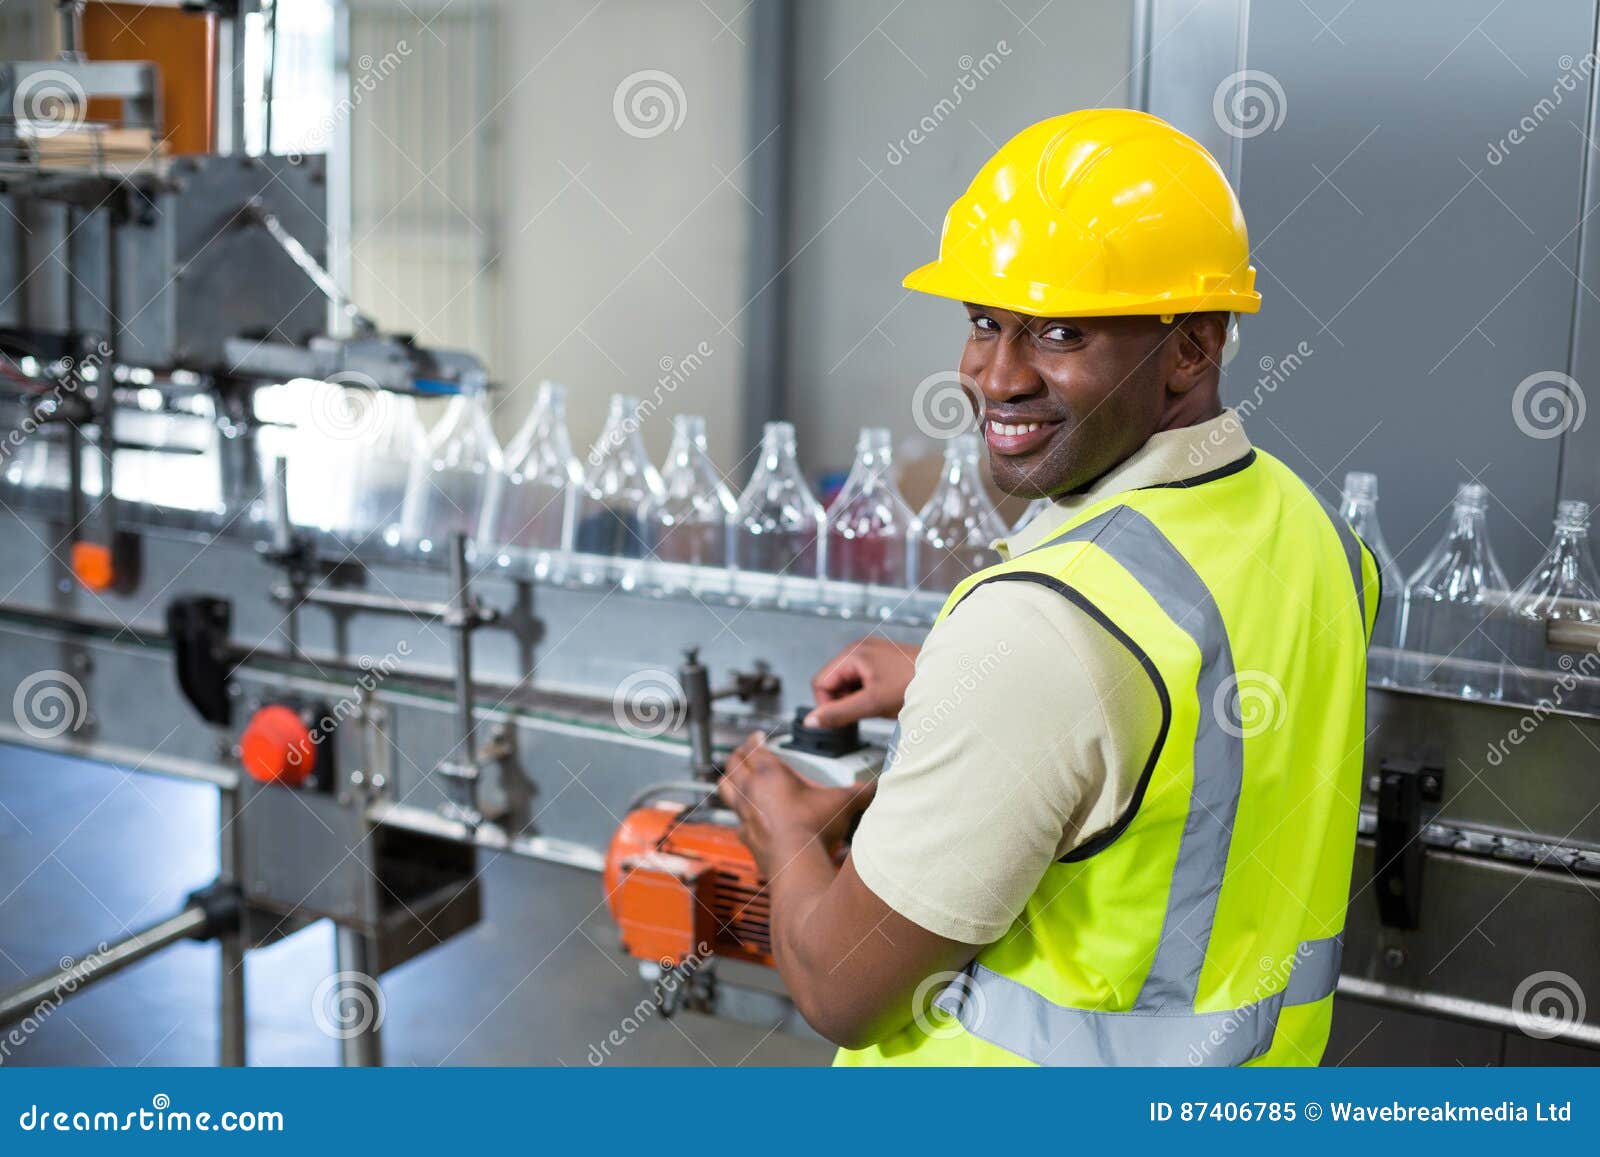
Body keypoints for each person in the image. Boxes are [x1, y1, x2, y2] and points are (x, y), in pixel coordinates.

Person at [717, 109, 1378, 1066]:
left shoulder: (1039, 638)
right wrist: (948, 674)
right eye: (985, 321)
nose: (994, 375)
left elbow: (837, 986)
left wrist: (782, 830)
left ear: (1191, 347)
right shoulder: (1321, 536)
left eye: (1059, 331)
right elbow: (1201, 713)